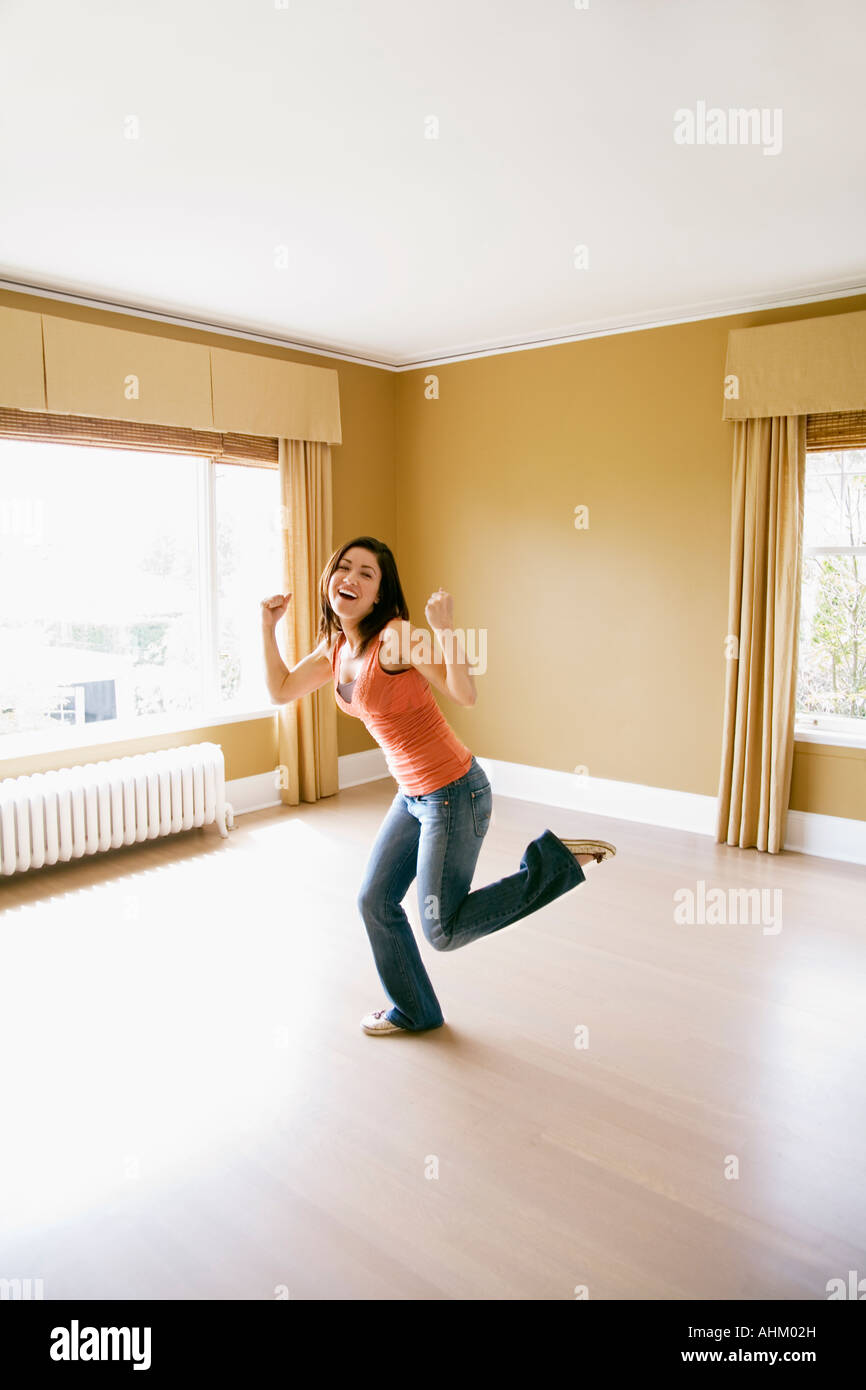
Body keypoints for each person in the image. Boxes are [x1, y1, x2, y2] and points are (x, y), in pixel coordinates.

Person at [261, 536, 616, 1037]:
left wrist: (445, 630)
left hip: (455, 792)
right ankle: (416, 1011)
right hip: (412, 797)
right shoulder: (338, 645)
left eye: (368, 573)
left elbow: (464, 694)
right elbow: (279, 690)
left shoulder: (397, 637)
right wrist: (267, 627)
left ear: (381, 592)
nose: (352, 578)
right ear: (328, 579)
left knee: (442, 930)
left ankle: (556, 864)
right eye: (345, 567)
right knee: (374, 902)